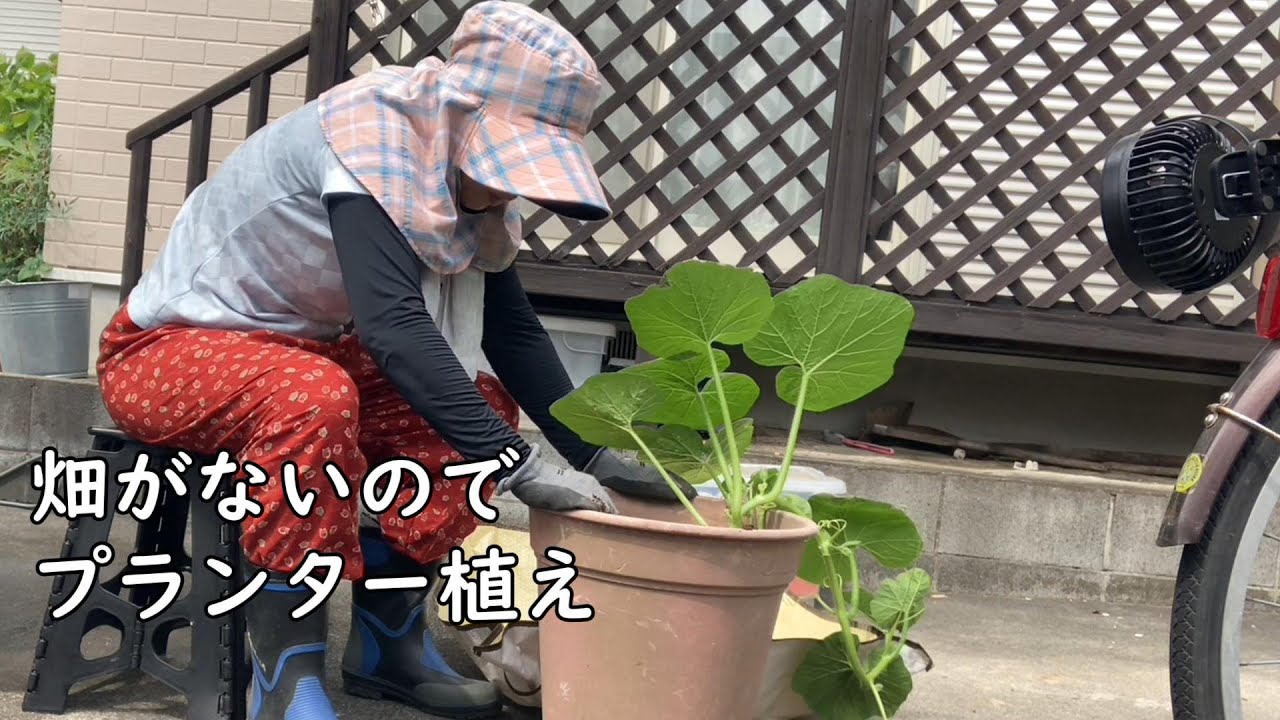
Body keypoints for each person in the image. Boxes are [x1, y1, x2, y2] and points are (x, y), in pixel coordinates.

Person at [94, 3, 695, 718]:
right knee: (314, 399)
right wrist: (521, 468)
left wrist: (593, 457)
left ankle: (388, 646)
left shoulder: (468, 181)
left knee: (466, 403)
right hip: (163, 352)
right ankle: (286, 675)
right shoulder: (370, 134)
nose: (509, 189)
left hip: (297, 355)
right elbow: (394, 329)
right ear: (461, 113)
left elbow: (513, 335)